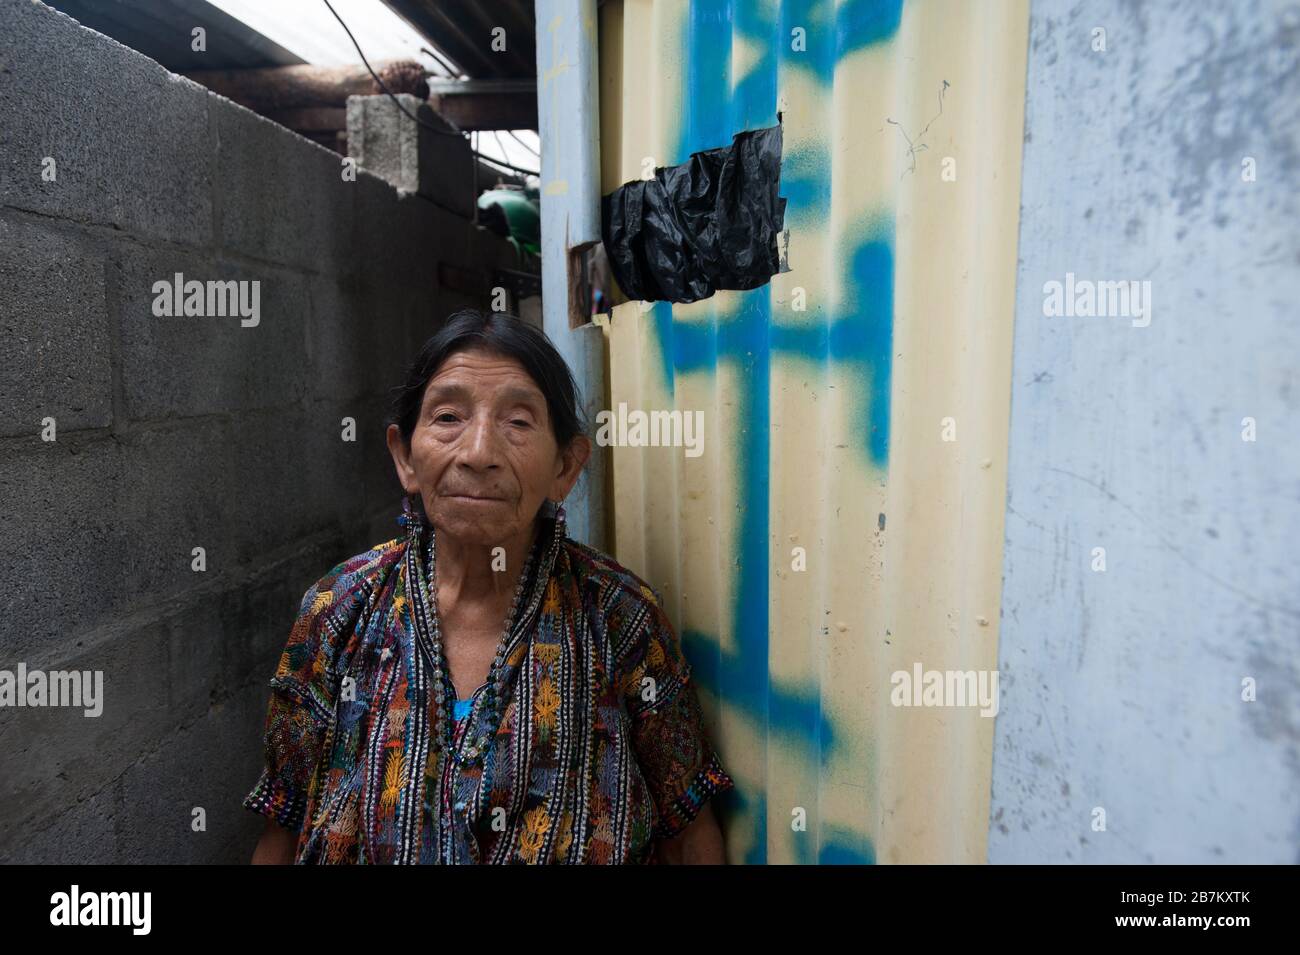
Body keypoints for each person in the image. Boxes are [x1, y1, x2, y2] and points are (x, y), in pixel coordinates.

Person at [243, 308, 734, 864]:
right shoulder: (339, 609)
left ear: (565, 468)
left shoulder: (619, 617)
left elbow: (688, 831)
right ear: (405, 456)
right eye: (448, 417)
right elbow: (283, 826)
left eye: (518, 423)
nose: (478, 454)